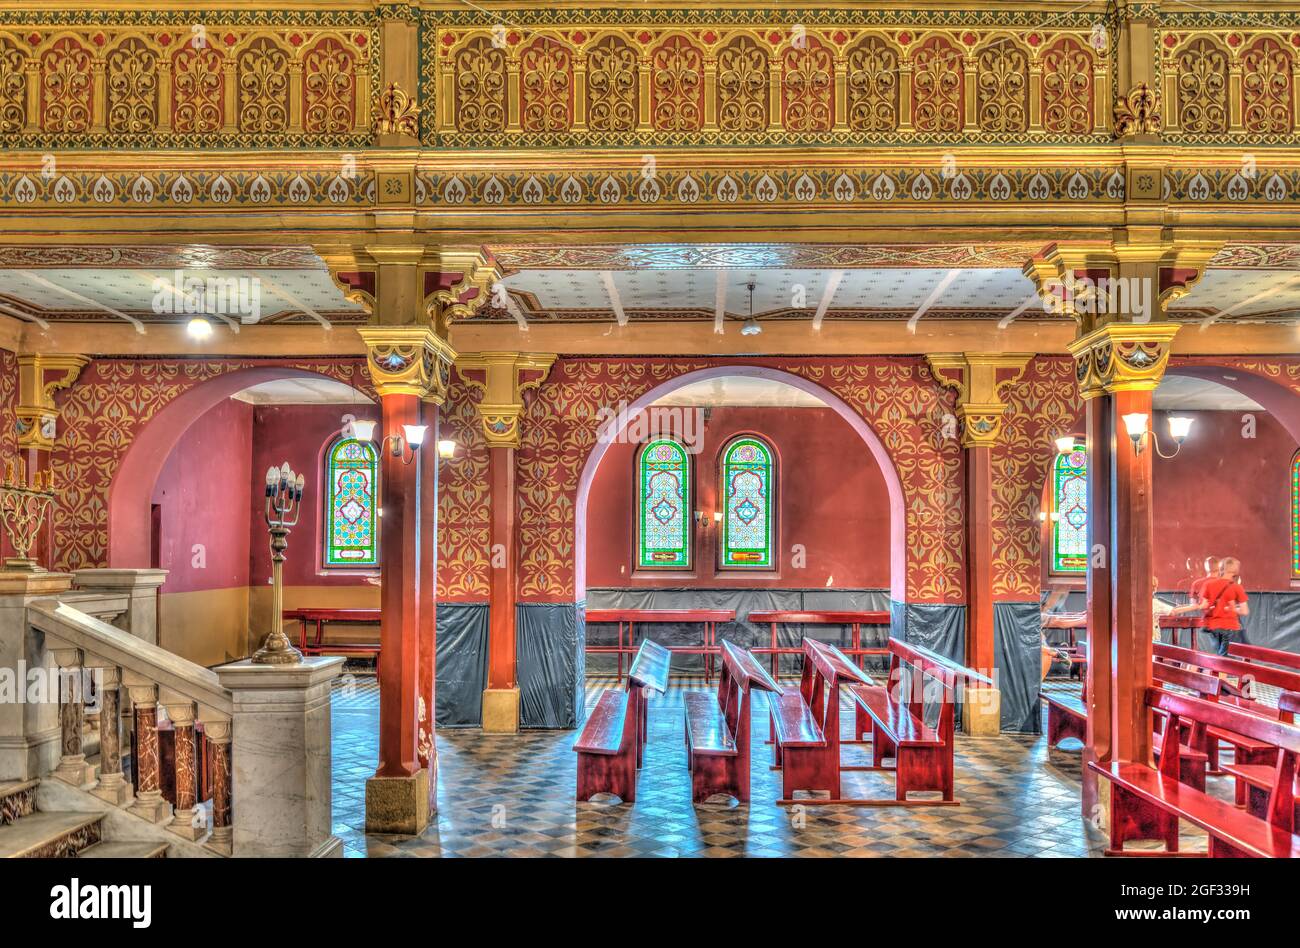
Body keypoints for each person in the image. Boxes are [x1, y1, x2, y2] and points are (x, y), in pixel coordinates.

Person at [1195, 556, 1248, 656]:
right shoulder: (1237, 587)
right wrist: (1231, 608)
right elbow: (1244, 611)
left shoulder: (1208, 584)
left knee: (1219, 655)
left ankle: (1218, 669)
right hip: (1229, 626)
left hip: (1212, 626)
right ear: (1235, 570)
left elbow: (1203, 605)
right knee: (1225, 658)